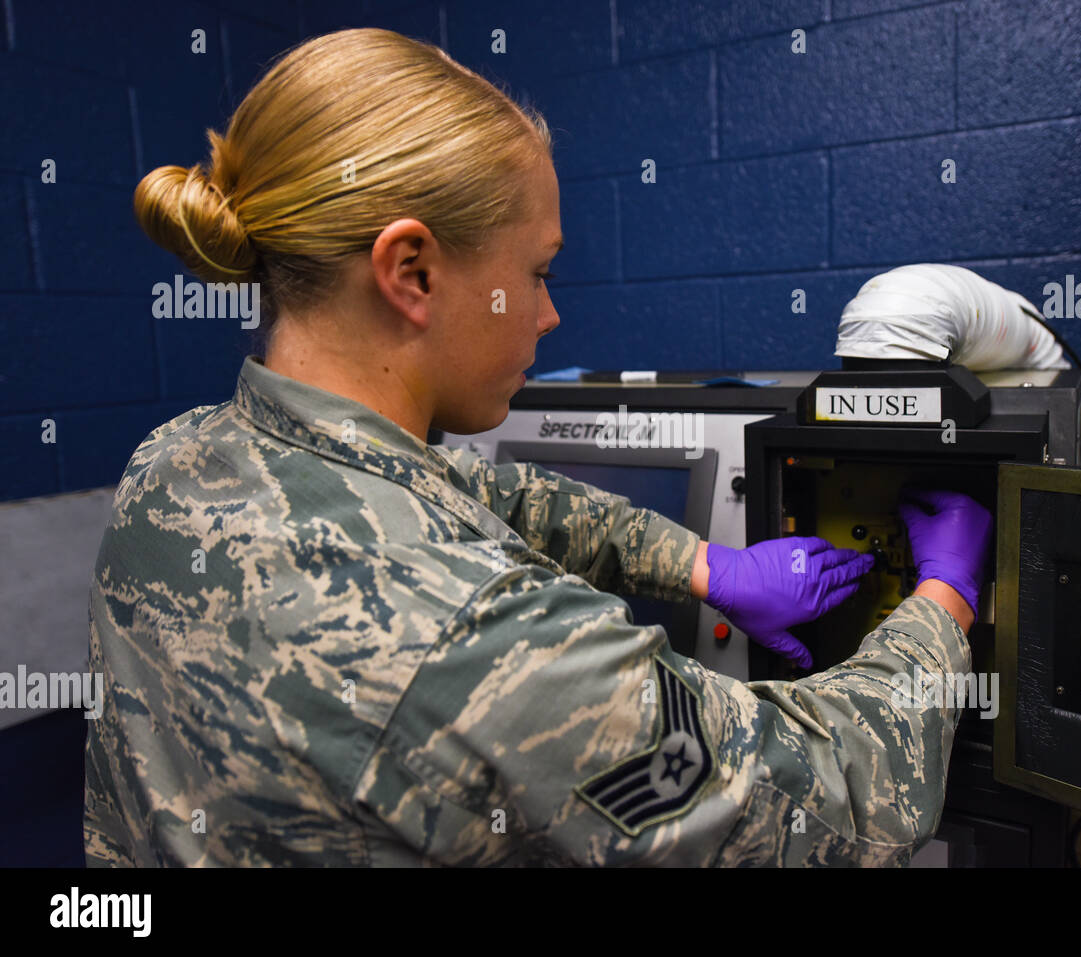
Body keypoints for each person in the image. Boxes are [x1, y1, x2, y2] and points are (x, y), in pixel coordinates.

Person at [84, 28, 993, 867]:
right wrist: (943, 600)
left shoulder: (172, 462)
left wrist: (708, 566)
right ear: (412, 271)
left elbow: (484, 496)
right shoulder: (482, 643)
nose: (550, 313)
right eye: (537, 271)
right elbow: (838, 795)